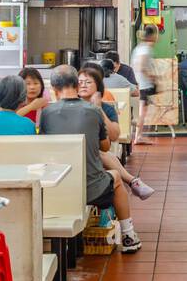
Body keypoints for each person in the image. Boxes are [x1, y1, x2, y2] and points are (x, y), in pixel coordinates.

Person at [39, 65, 142, 253]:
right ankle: (128, 235)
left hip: (56, 187)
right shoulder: (93, 110)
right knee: (116, 179)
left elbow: (46, 145)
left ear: (53, 88)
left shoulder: (47, 112)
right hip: (91, 188)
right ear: (76, 85)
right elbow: (104, 146)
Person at [78, 66, 154, 200]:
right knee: (102, 155)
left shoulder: (107, 108)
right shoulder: (71, 106)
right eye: (80, 82)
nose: (83, 85)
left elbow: (113, 136)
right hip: (79, 152)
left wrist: (98, 109)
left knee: (101, 154)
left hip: (96, 152)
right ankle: (132, 181)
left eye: (88, 82)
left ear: (98, 86)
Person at [131, 26, 159, 145]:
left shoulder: (139, 47)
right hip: (144, 85)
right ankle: (138, 137)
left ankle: (139, 136)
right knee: (142, 112)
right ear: (152, 36)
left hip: (140, 83)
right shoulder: (146, 49)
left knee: (142, 111)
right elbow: (141, 66)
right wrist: (151, 77)